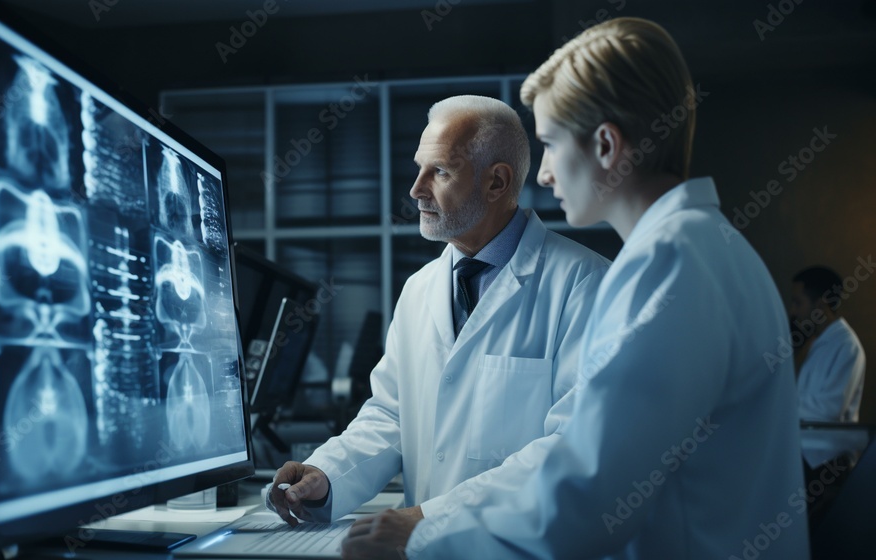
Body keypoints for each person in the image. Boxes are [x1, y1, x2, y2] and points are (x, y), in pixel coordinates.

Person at [340, 18, 809, 559]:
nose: (541, 175)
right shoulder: (708, 246)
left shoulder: (667, 263)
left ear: (606, 145)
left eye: (551, 144)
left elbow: (589, 500)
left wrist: (423, 538)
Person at [266, 95, 610, 528]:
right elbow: (391, 414)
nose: (415, 189)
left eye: (440, 171)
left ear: (497, 183)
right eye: (418, 167)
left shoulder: (586, 285)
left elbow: (570, 448)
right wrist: (327, 475)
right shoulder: (419, 289)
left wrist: (427, 518)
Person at [789, 266, 866, 524]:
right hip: (807, 456)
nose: (793, 312)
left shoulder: (847, 345)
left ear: (821, 304)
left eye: (798, 303)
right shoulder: (819, 343)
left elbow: (828, 410)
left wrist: (780, 404)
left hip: (824, 465)